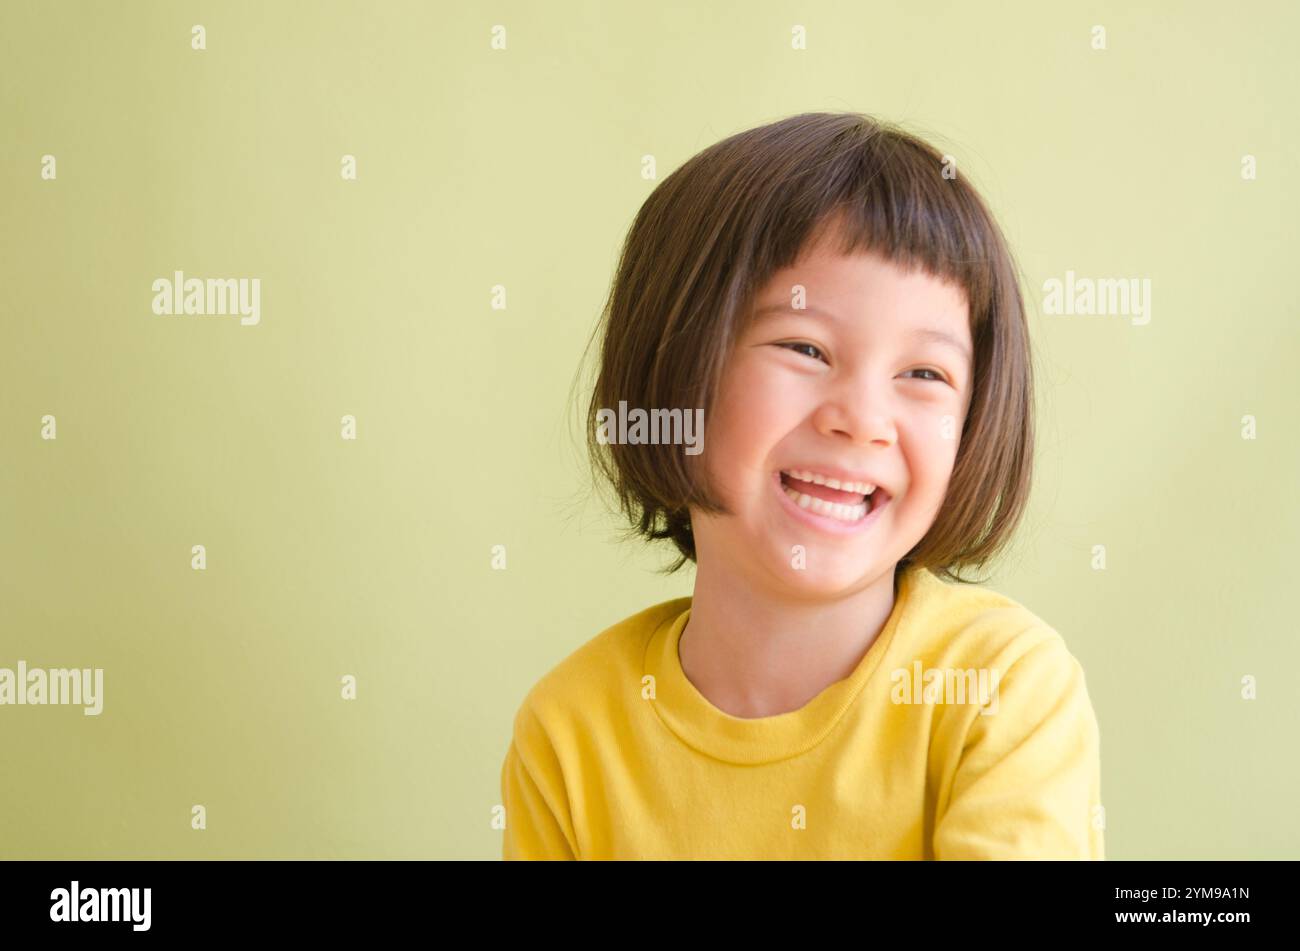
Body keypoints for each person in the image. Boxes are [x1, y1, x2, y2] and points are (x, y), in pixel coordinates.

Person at [500, 112, 1103, 860]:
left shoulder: (1001, 687)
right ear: (674, 366)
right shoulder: (571, 728)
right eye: (804, 347)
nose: (863, 420)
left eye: (924, 373)